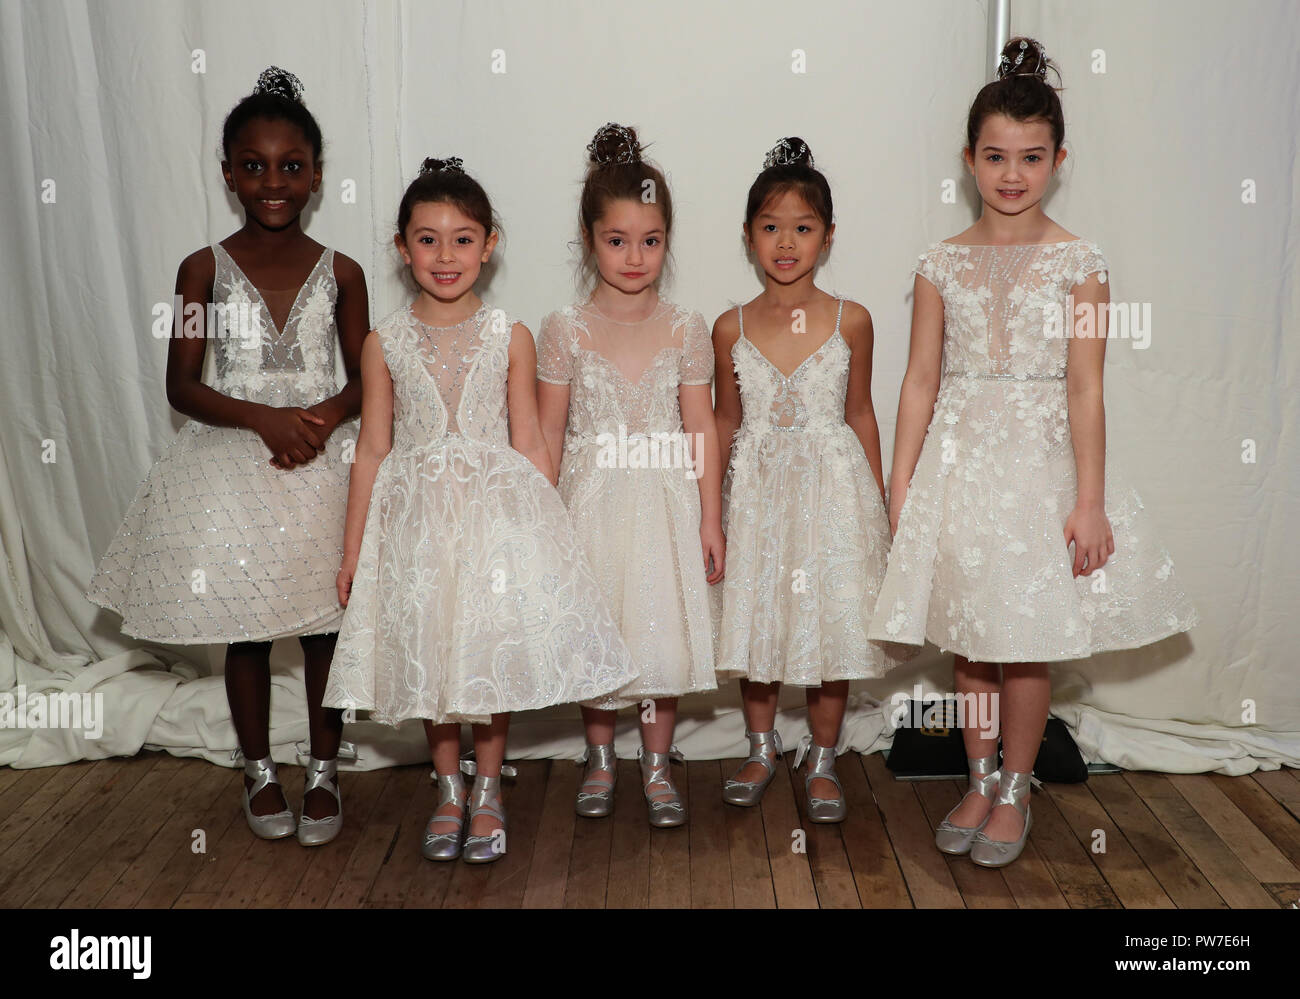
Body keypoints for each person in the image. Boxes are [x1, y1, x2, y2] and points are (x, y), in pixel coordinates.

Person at [870, 38, 1198, 867]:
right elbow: (917, 382)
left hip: (1038, 466)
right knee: (971, 637)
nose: (1011, 173)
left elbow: (1086, 387)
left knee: (1023, 639)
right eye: (994, 156)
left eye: (1030, 156)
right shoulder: (940, 262)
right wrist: (901, 484)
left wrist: (1088, 500)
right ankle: (978, 775)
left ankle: (1017, 785)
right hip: (961, 466)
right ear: (968, 161)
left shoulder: (1082, 265)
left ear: (1058, 159)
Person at [322, 157, 637, 863]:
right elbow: (372, 448)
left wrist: (552, 534)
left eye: (462, 238)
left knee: (485, 660)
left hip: (496, 528)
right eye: (427, 239)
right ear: (402, 248)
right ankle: (447, 789)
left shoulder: (510, 335)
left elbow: (528, 440)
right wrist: (352, 553)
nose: (445, 255)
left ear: (489, 245)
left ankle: (488, 790)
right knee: (435, 662)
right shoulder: (385, 343)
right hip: (418, 529)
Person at [86, 66, 367, 847]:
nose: (271, 181)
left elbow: (364, 378)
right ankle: (256, 767)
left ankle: (323, 768)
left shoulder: (343, 271)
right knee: (245, 627)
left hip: (318, 467)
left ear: (315, 174)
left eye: (289, 165)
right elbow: (181, 384)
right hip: (232, 464)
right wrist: (263, 419)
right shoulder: (199, 268)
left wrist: (317, 417)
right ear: (227, 174)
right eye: (253, 165)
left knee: (323, 628)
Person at [537, 123, 723, 828]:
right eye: (618, 240)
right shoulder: (565, 327)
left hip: (666, 500)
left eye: (651, 240)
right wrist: (546, 512)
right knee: (600, 628)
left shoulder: (685, 326)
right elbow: (550, 429)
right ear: (590, 240)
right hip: (592, 498)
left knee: (657, 634)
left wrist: (709, 515)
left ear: (668, 240)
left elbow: (701, 425)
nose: (635, 256)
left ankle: (654, 760)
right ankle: (599, 755)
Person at [712, 138, 899, 823]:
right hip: (758, 496)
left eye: (802, 226)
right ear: (747, 236)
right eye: (770, 227)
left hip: (833, 494)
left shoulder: (852, 319)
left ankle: (822, 757)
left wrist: (877, 506)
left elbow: (860, 414)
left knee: (831, 628)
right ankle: (761, 747)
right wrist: (711, 508)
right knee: (759, 625)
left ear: (827, 236)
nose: (785, 241)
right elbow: (723, 421)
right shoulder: (728, 327)